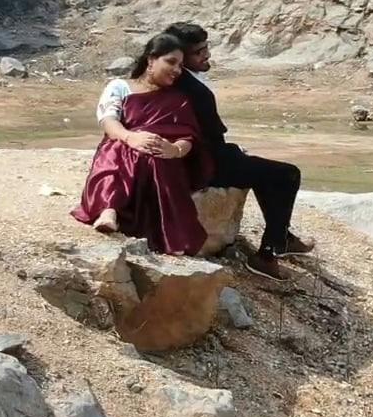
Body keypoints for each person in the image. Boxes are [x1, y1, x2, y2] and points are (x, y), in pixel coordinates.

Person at [162, 22, 312, 280]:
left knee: (261, 171)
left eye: (206, 47)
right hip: (202, 163)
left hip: (203, 155)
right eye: (199, 51)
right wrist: (232, 153)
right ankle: (268, 254)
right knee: (287, 174)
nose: (207, 54)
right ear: (181, 58)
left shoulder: (182, 80)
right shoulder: (190, 88)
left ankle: (281, 237)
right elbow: (206, 135)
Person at [71, 33, 212, 255]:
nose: (177, 70)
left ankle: (163, 229)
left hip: (161, 158)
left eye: (181, 66)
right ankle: (109, 210)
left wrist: (174, 150)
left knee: (154, 160)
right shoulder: (120, 87)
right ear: (151, 60)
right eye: (171, 62)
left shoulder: (178, 99)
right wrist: (131, 138)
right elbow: (109, 121)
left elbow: (189, 136)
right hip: (123, 147)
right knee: (115, 147)